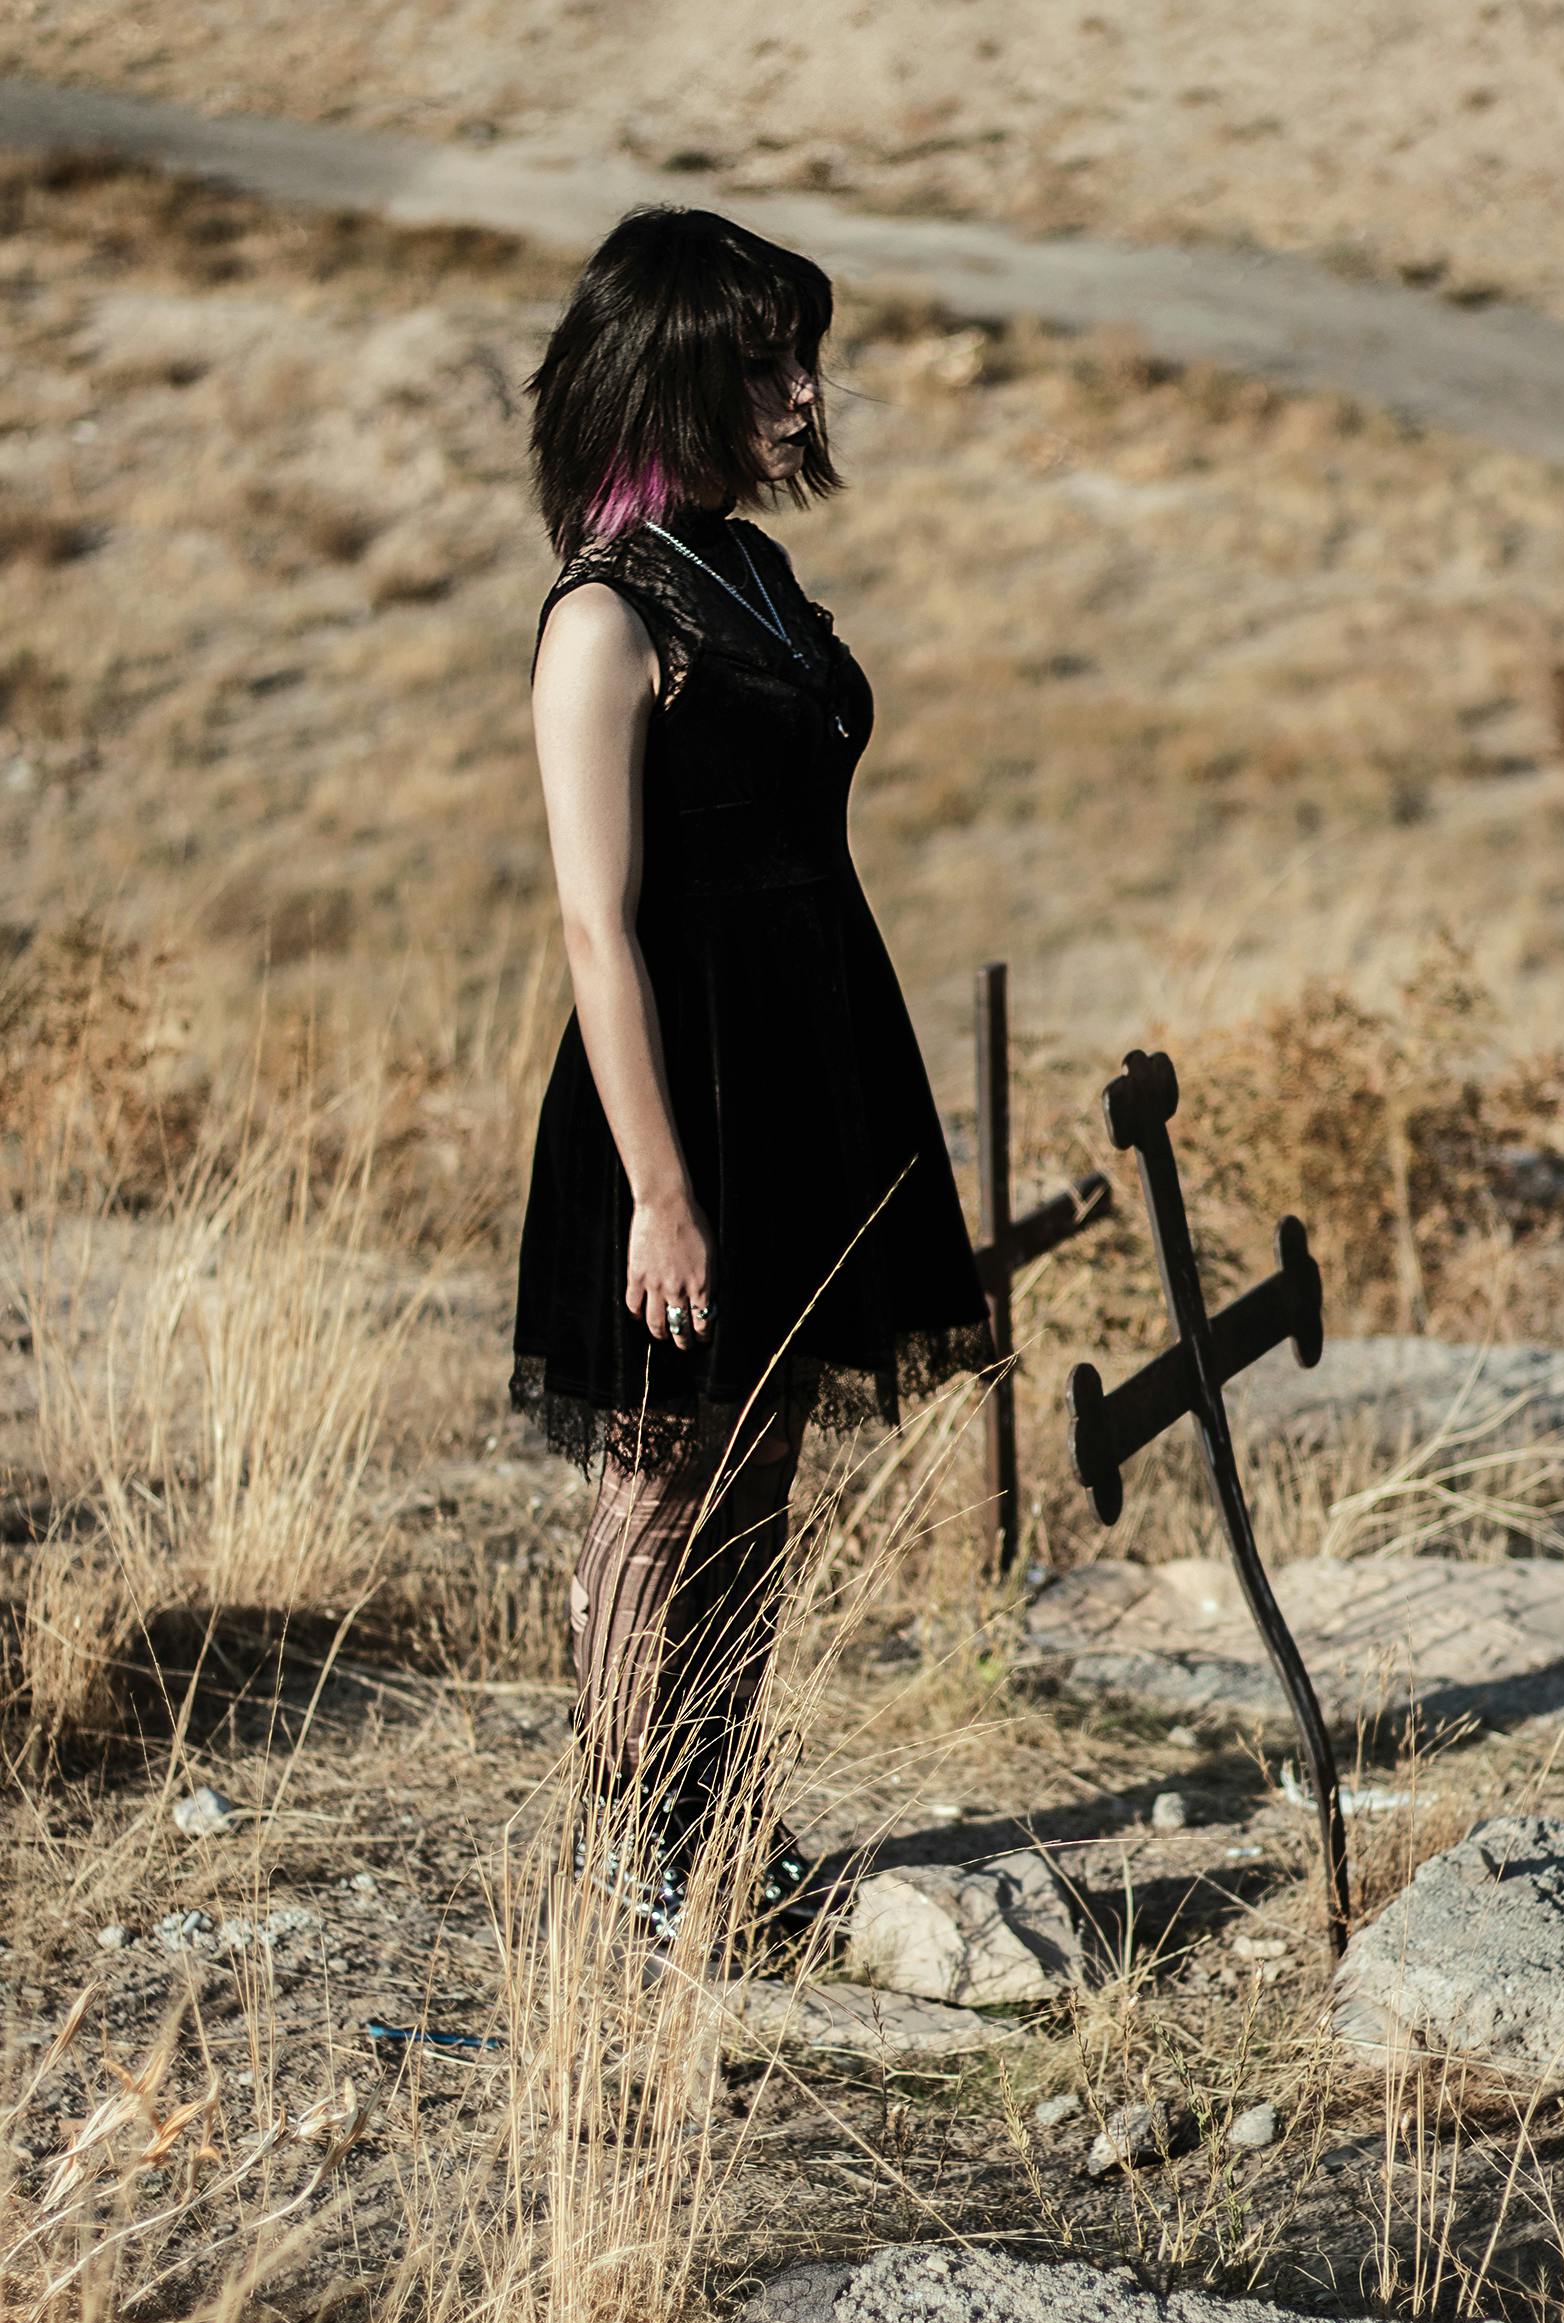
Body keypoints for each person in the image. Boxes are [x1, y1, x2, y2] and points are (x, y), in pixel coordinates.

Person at [508, 205, 995, 1953]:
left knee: (761, 1461)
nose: (802, 390)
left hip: (810, 1065)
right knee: (654, 1480)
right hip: (677, 1094)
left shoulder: (753, 576)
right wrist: (657, 1186)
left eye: (805, 355)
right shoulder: (602, 618)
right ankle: (621, 1842)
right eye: (767, 360)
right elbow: (593, 924)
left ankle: (720, 1818)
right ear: (678, 375)